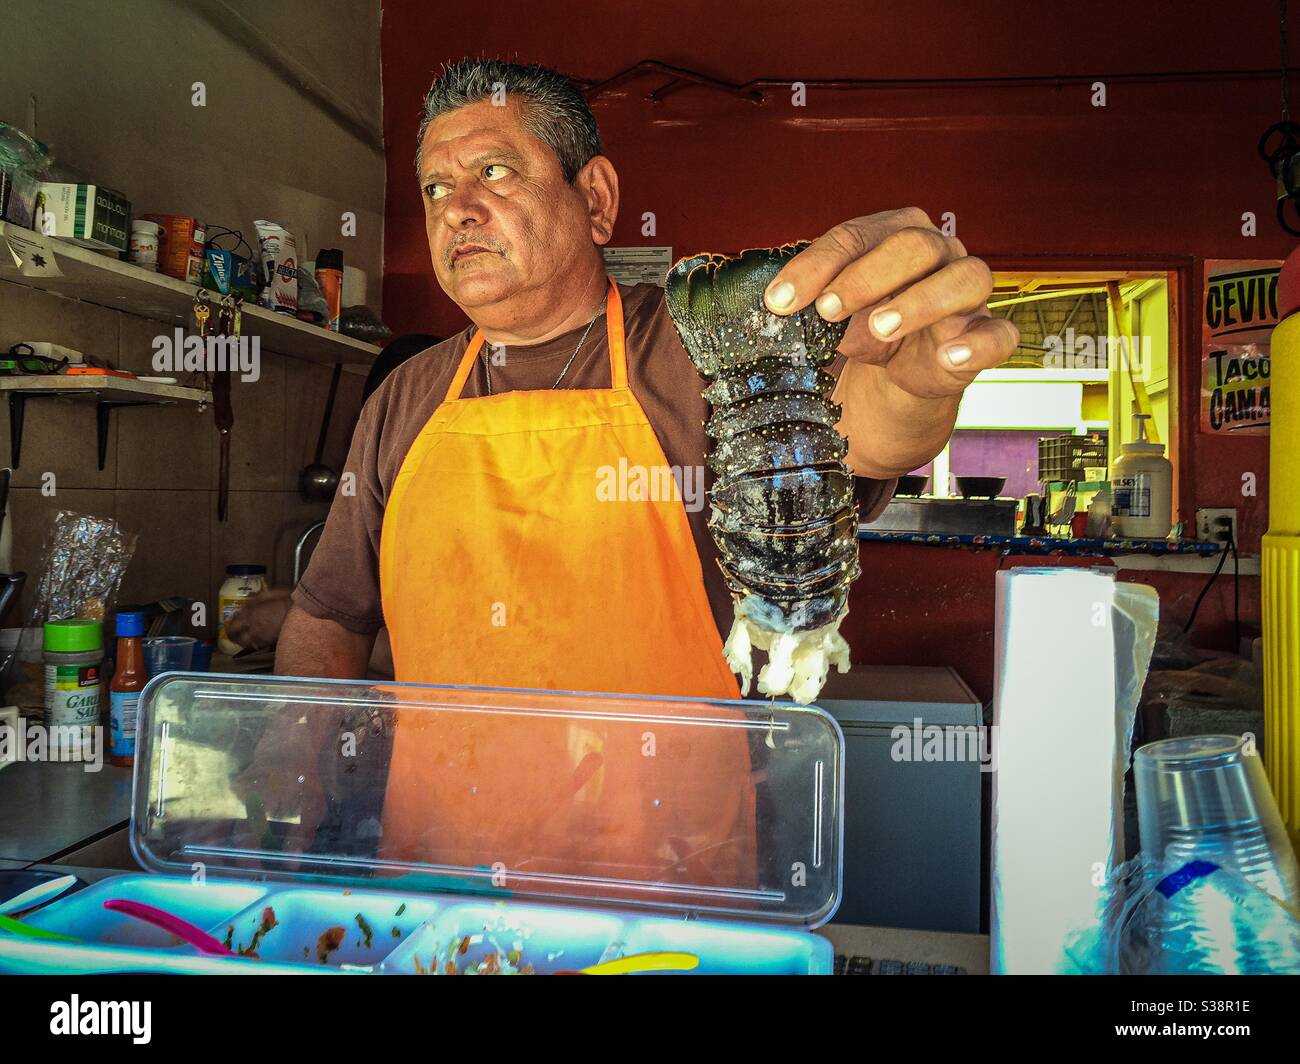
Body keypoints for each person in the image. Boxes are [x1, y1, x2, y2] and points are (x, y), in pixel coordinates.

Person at [254, 58, 1018, 881]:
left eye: (494, 171)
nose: (457, 209)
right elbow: (331, 617)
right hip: (440, 882)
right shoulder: (405, 396)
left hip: (673, 876)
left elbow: (870, 429)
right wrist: (290, 779)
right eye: (435, 188)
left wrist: (920, 383)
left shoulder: (699, 346)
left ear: (596, 200)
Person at [221, 332, 440, 662]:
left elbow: (455, 650)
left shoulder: (475, 499)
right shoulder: (389, 498)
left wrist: (302, 623)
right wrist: (306, 607)